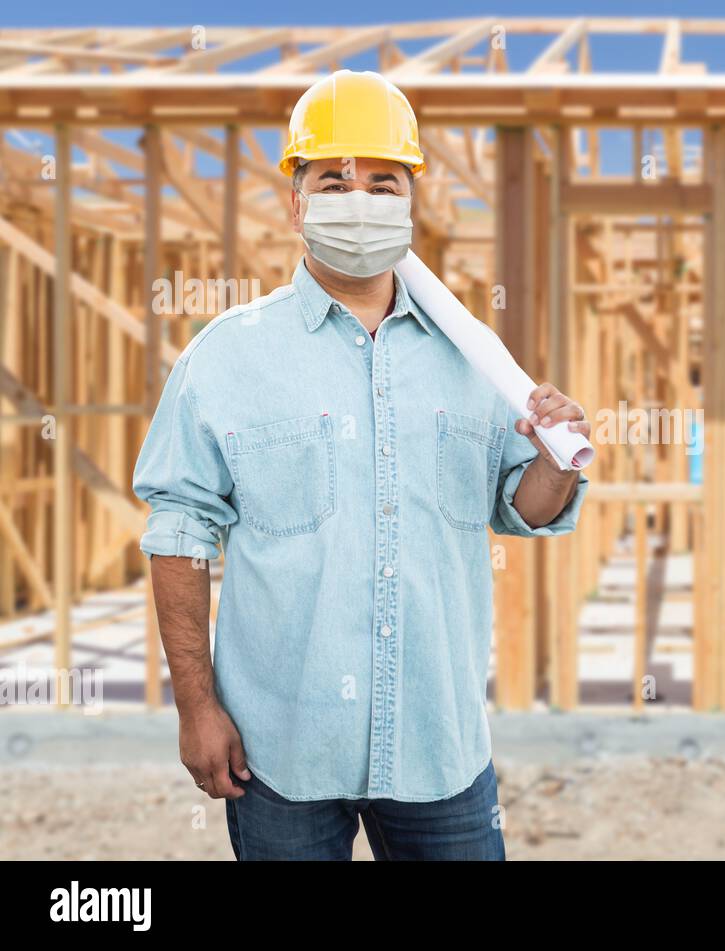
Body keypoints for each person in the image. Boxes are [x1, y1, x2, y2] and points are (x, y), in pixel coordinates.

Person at [132, 70, 589, 860]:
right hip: (281, 754)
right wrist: (195, 705)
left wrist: (560, 458)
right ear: (296, 201)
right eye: (332, 179)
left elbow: (525, 505)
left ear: (410, 203)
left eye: (382, 181)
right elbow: (179, 531)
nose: (359, 197)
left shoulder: (472, 356)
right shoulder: (227, 358)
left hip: (438, 747)